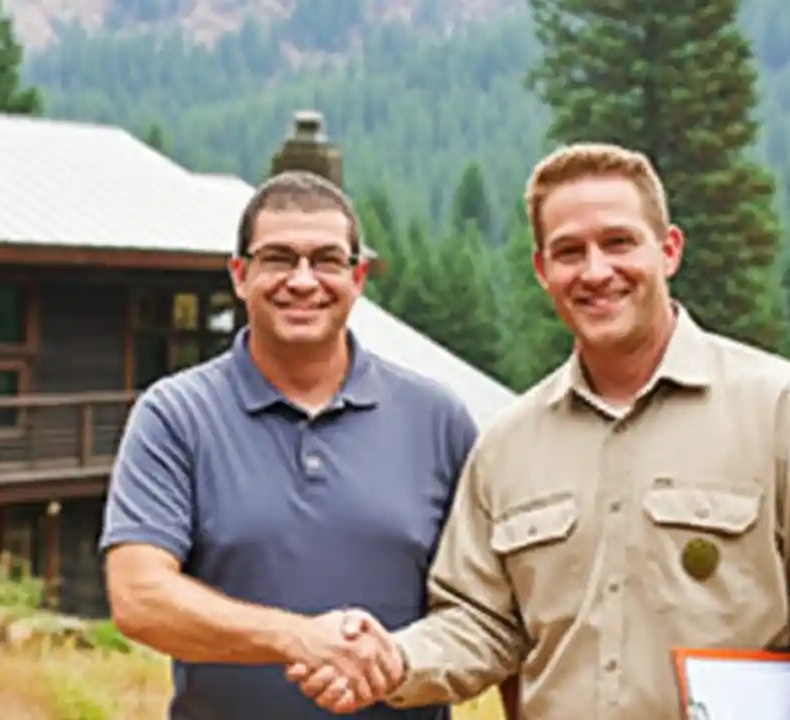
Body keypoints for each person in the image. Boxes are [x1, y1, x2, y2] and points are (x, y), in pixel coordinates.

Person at [288, 142, 790, 718]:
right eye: (569, 251)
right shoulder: (508, 445)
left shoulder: (784, 410)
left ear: (669, 250)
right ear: (541, 269)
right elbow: (481, 622)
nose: (596, 271)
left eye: (619, 242)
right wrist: (394, 659)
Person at [99, 170, 514, 720]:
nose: (301, 280)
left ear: (358, 276)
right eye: (277, 258)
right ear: (240, 275)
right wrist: (296, 638)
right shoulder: (175, 416)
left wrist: (395, 660)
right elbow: (139, 598)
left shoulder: (437, 418)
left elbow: (492, 609)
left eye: (325, 260)